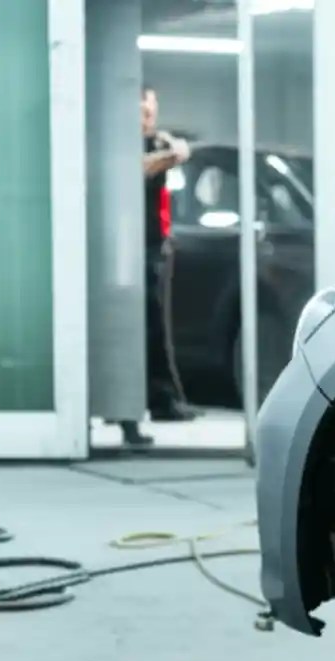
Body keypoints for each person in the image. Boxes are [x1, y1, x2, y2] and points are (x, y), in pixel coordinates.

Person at [140, 85, 196, 423]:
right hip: (132, 249)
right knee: (148, 327)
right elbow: (140, 166)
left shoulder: (158, 142)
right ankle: (159, 400)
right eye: (143, 108)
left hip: (155, 246)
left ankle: (166, 398)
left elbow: (181, 150)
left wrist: (172, 148)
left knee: (158, 326)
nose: (148, 115)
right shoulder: (122, 146)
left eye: (152, 108)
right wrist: (171, 153)